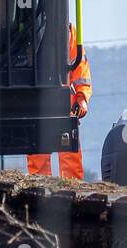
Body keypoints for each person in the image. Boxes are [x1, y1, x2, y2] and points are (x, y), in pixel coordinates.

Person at [27, 23, 91, 179]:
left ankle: (72, 189)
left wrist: (82, 97)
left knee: (68, 151)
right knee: (38, 151)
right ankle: (39, 190)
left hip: (62, 99)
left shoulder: (67, 30)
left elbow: (79, 65)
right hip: (34, 97)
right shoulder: (26, 29)